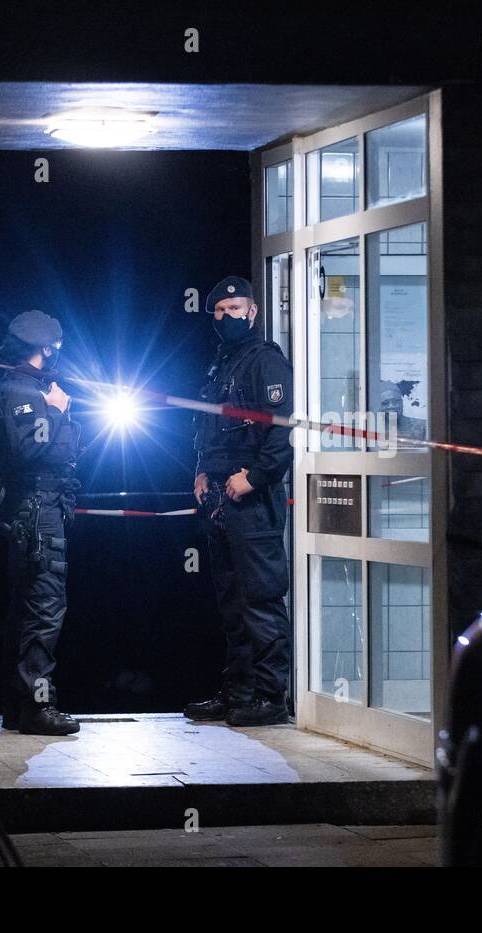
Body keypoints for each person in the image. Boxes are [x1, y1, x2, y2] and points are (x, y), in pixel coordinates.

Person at [185, 276, 293, 726]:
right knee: (232, 602)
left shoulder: (265, 361)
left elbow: (282, 428)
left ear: (252, 312)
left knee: (262, 599)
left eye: (236, 309)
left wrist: (256, 477)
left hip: (253, 497)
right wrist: (201, 472)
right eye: (220, 311)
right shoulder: (221, 363)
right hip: (218, 496)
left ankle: (271, 698)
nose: (228, 317)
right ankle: (238, 694)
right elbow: (208, 429)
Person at [0, 310, 82, 735]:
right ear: (46, 347)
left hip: (40, 507)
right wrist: (58, 411)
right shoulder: (23, 390)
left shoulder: (28, 387)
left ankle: (18, 707)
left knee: (29, 609)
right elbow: (28, 449)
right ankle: (36, 707)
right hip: (37, 510)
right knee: (44, 610)